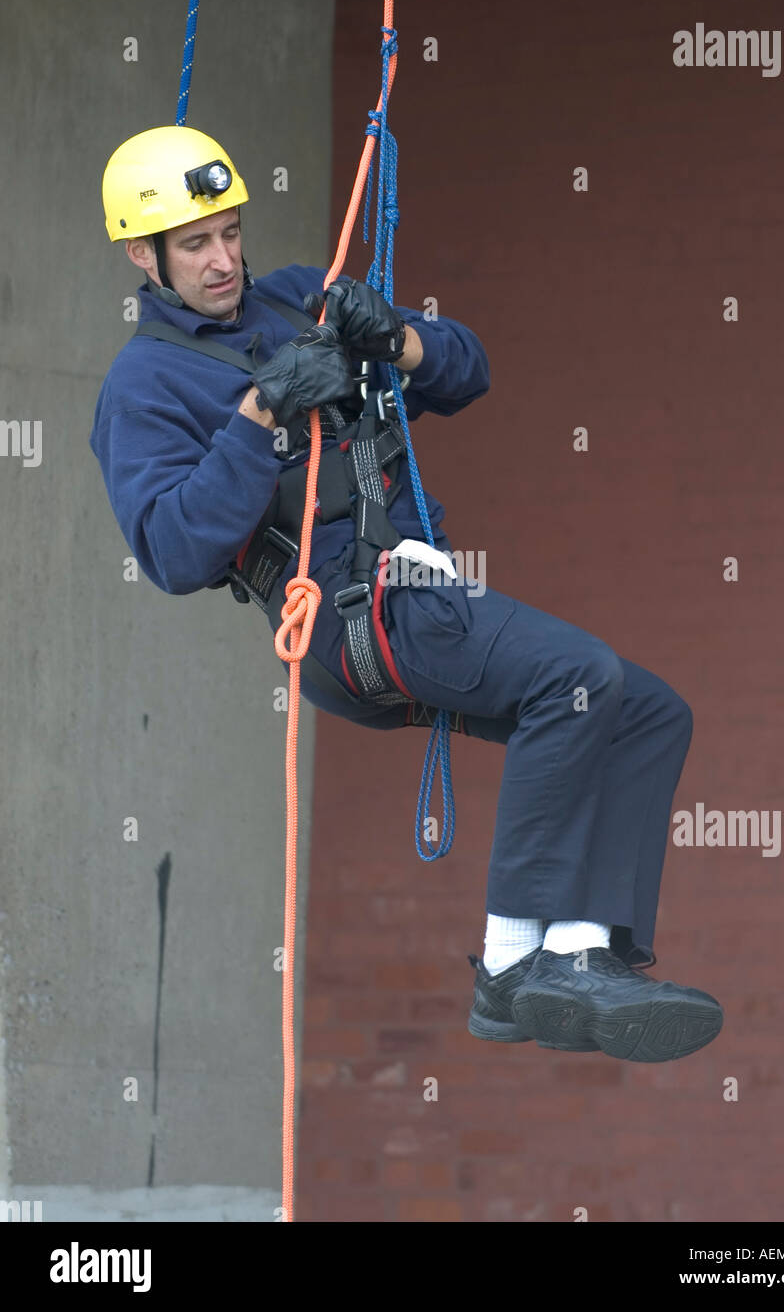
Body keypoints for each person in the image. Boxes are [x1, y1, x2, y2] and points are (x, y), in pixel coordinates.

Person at [91, 126, 723, 1064]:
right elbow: (176, 550)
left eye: (229, 231)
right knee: (577, 679)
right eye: (195, 245)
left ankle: (586, 953)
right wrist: (262, 416)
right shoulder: (142, 387)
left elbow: (470, 373)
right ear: (143, 256)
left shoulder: (299, 296)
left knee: (648, 712)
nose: (224, 259)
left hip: (413, 596)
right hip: (353, 619)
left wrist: (399, 338)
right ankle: (513, 966)